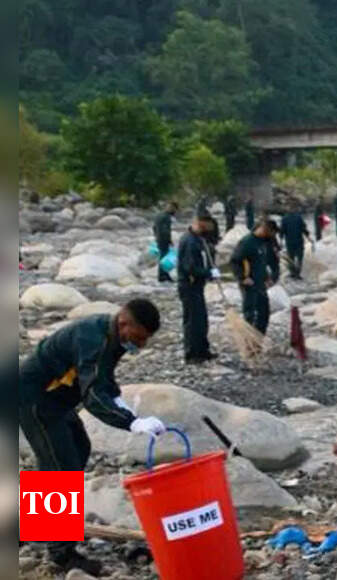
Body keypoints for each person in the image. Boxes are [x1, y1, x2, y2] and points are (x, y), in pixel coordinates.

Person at [19, 299, 166, 574]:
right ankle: (61, 554)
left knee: (78, 449)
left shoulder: (113, 336)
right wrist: (130, 422)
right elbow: (93, 396)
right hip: (34, 400)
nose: (140, 346)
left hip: (57, 401)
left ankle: (36, 522)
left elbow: (103, 379)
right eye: (139, 338)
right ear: (125, 323)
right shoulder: (94, 337)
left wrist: (122, 405)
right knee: (60, 468)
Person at [177, 215, 220, 363]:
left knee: (201, 319)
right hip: (189, 285)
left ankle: (202, 350)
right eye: (209, 227)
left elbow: (205, 258)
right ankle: (191, 354)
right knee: (192, 320)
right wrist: (208, 273)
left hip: (198, 285)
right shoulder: (189, 241)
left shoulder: (199, 239)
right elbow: (190, 267)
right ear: (201, 224)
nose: (210, 231)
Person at [230, 220, 280, 334]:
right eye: (271, 233)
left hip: (261, 283)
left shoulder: (264, 242)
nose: (272, 236)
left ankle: (259, 338)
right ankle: (249, 341)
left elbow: (268, 262)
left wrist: (270, 277)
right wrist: (242, 277)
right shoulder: (247, 242)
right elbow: (234, 261)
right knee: (250, 314)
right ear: (265, 229)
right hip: (249, 284)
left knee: (264, 313)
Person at [279, 206, 312, 280]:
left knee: (291, 258)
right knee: (299, 258)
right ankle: (297, 273)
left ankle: (293, 273)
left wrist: (280, 241)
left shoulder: (285, 219)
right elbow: (304, 228)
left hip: (290, 242)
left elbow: (282, 231)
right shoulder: (298, 218)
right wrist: (308, 237)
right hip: (298, 241)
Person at [153, 202, 177, 282]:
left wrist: (156, 237)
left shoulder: (159, 215)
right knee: (164, 257)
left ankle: (163, 275)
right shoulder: (166, 217)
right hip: (164, 240)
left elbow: (154, 227)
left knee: (162, 257)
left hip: (159, 239)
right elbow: (166, 230)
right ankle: (163, 275)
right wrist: (169, 240)